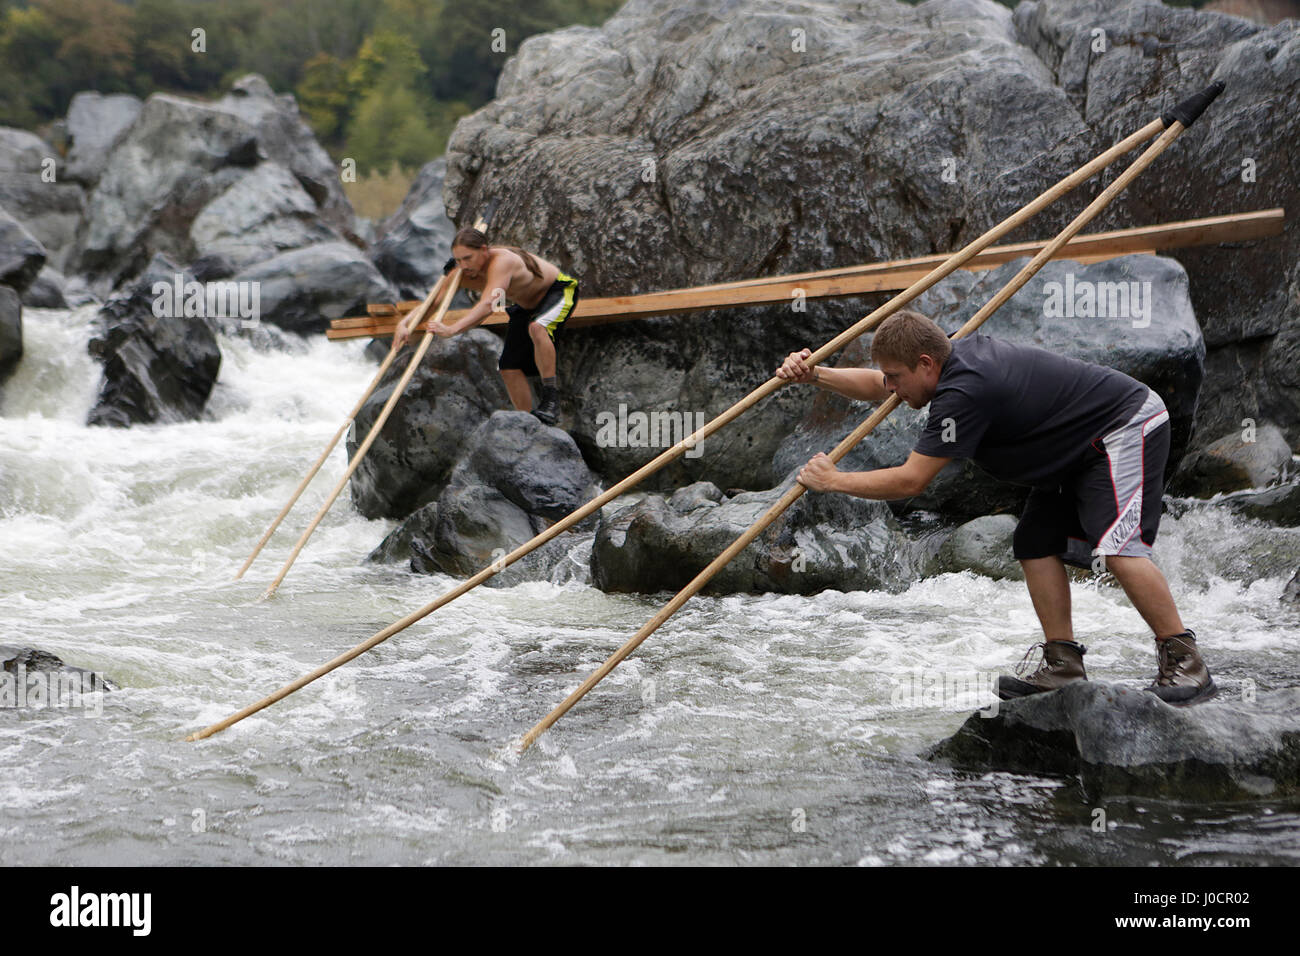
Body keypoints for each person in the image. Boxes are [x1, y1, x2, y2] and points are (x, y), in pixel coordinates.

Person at [775, 309, 1216, 705]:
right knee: (1034, 543)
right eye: (887, 376)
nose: (889, 387)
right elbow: (879, 386)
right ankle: (1063, 666)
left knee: (1118, 546)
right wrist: (816, 374)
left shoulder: (965, 393)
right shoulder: (943, 359)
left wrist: (834, 481)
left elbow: (911, 480)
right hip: (1073, 448)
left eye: (895, 376)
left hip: (1123, 425)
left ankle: (1186, 662)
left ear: (926, 364)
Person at [395, 227, 578, 426]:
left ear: (484, 250)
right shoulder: (459, 273)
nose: (464, 265)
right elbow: (432, 303)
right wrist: (404, 324)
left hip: (558, 291)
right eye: (458, 260)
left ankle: (550, 400)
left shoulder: (502, 262)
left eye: (468, 258)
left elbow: (488, 304)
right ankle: (528, 422)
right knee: (508, 367)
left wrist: (452, 329)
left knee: (537, 328)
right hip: (525, 306)